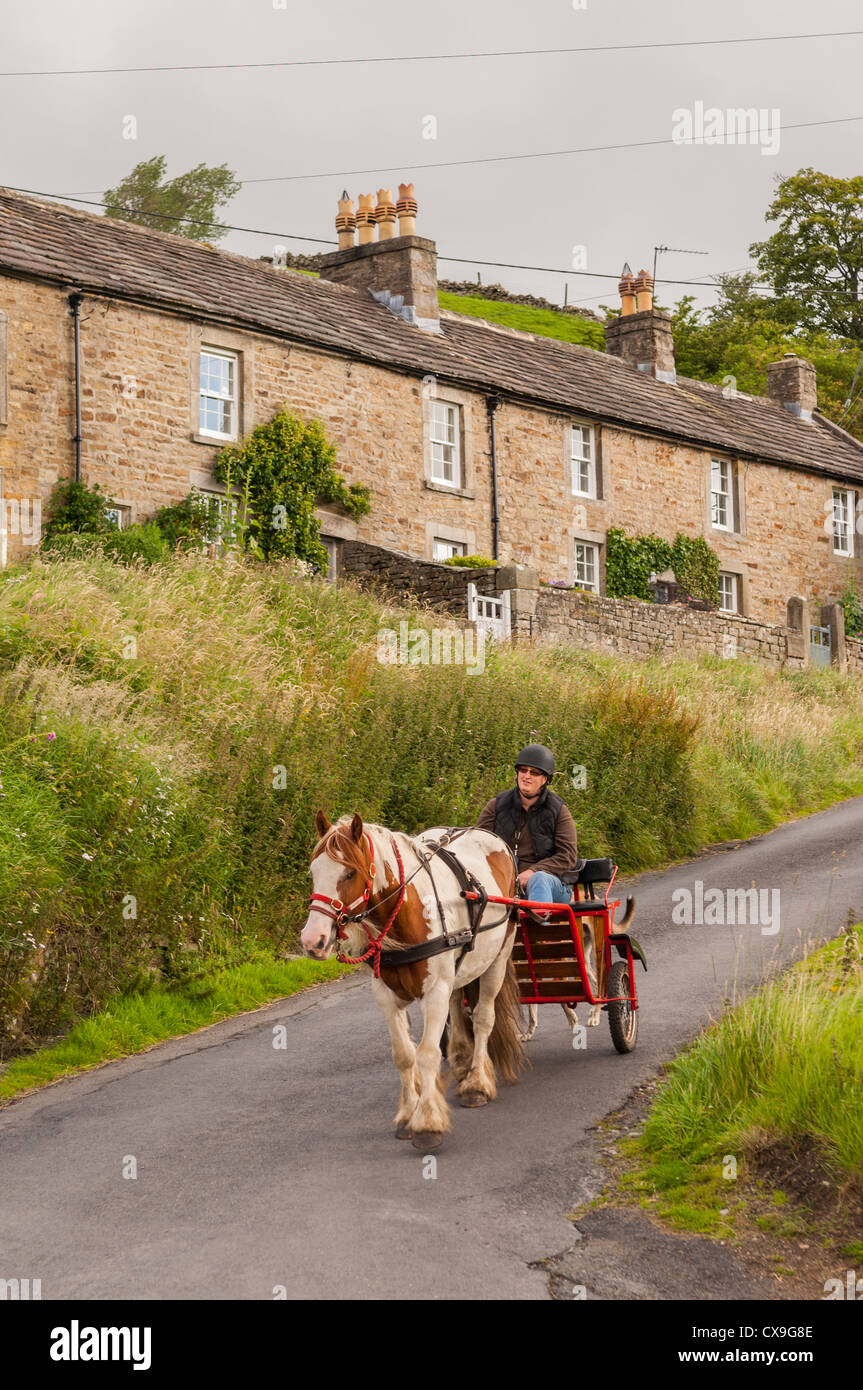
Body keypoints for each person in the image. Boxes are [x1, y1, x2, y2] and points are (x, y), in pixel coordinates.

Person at [475, 743, 580, 909]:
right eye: (523, 770)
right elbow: (477, 843)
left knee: (539, 879)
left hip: (552, 884)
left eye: (534, 772)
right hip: (505, 881)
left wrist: (533, 872)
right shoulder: (496, 805)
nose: (527, 776)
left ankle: (540, 929)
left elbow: (568, 856)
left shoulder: (558, 810)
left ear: (545, 779)